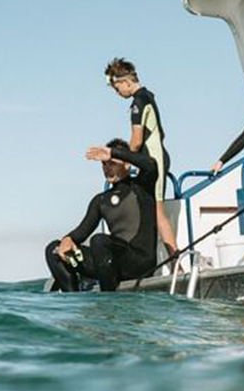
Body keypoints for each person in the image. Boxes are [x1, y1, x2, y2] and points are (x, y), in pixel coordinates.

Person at [45, 139, 158, 292]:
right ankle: (72, 299)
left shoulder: (142, 187)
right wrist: (67, 240)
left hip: (139, 263)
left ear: (127, 164)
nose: (107, 168)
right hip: (110, 263)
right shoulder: (100, 201)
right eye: (104, 164)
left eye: (112, 163)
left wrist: (112, 152)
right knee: (54, 249)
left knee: (99, 241)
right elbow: (81, 232)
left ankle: (108, 301)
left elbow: (151, 164)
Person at [104, 58, 179, 257]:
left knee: (158, 213)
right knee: (148, 209)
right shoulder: (147, 96)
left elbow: (136, 141)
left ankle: (175, 263)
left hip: (155, 160)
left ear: (125, 82)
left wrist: (126, 161)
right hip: (149, 160)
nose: (117, 93)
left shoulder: (138, 102)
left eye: (116, 88)